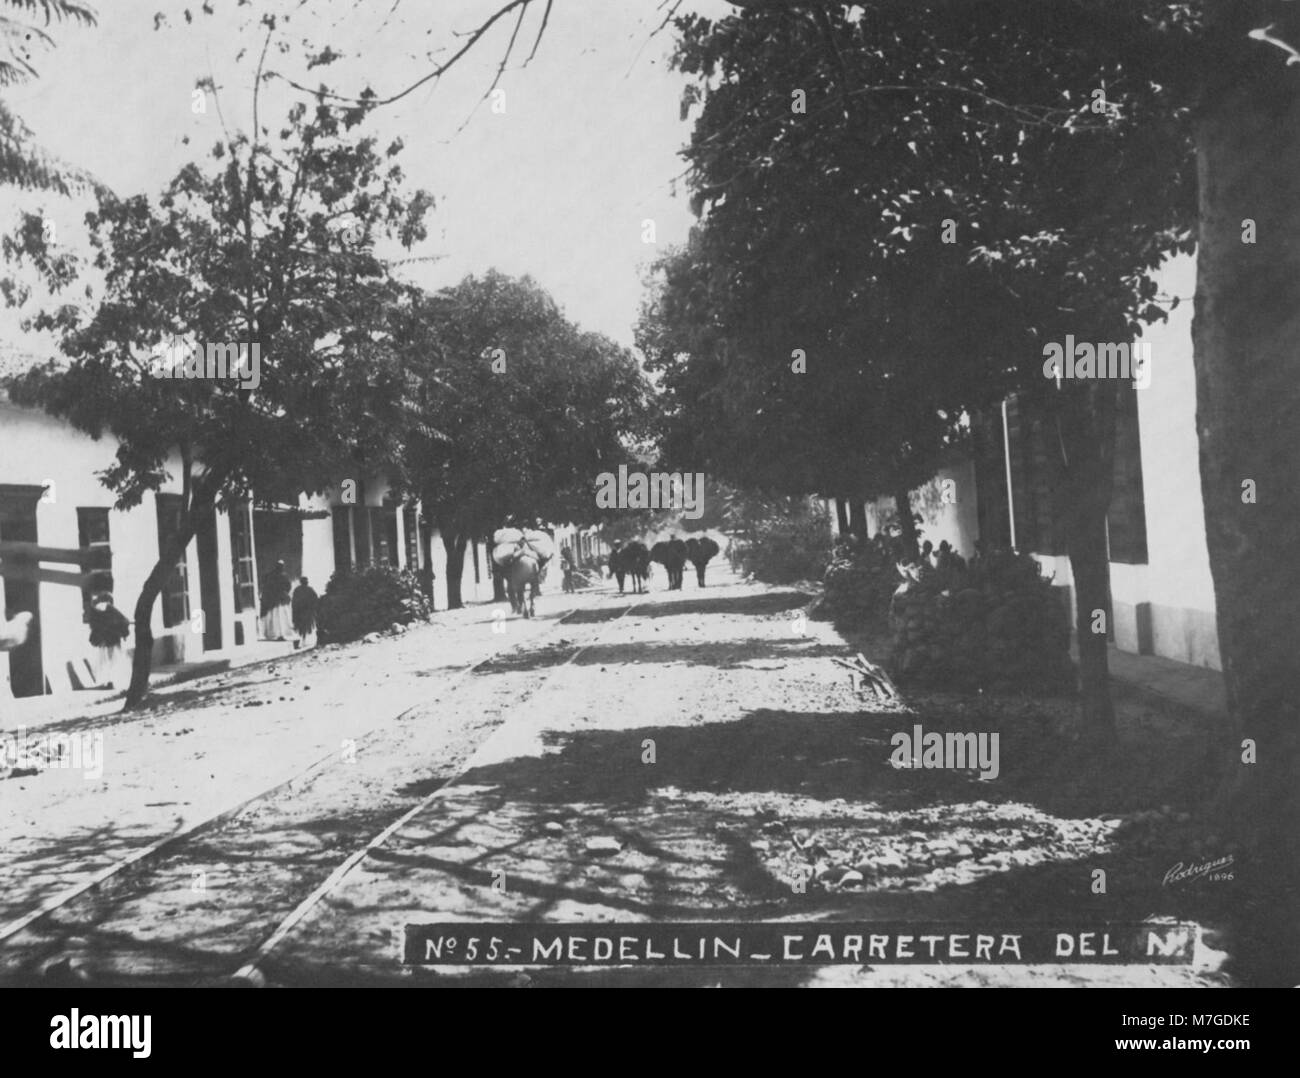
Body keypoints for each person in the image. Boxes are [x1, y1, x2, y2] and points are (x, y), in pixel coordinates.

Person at [85, 591, 131, 689]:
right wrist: (123, 632)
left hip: (104, 640)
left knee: (104, 660)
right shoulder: (111, 609)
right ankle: (114, 681)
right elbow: (124, 620)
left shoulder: (96, 611)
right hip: (112, 639)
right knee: (113, 660)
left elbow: (94, 626)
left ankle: (109, 681)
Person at [260, 560, 294, 641]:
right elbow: (288, 586)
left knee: (277, 616)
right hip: (278, 599)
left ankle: (278, 634)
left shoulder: (272, 575)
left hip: (276, 599)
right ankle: (279, 634)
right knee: (279, 616)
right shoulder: (282, 576)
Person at [291, 576, 319, 649]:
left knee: (302, 627)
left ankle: (302, 640)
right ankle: (303, 641)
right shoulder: (309, 589)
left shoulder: (297, 590)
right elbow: (315, 599)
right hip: (305, 612)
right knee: (305, 627)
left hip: (302, 612)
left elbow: (294, 602)